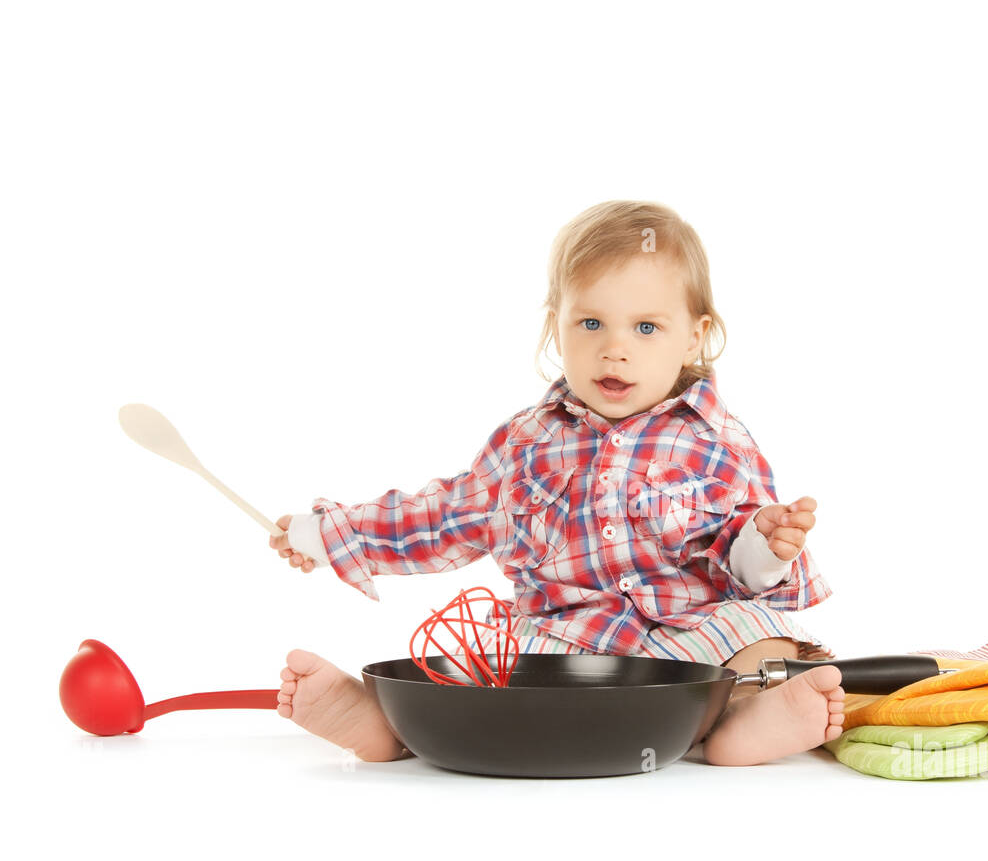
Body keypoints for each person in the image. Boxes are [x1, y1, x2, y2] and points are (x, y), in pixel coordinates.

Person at [269, 199, 844, 766]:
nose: (614, 348)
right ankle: (387, 727)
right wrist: (328, 535)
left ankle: (743, 721)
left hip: (686, 635)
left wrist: (764, 546)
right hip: (561, 643)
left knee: (760, 640)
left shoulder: (718, 439)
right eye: (590, 323)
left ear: (694, 337)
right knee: (476, 667)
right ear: (556, 326)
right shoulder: (527, 442)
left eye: (646, 327)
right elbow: (445, 518)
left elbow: (740, 565)